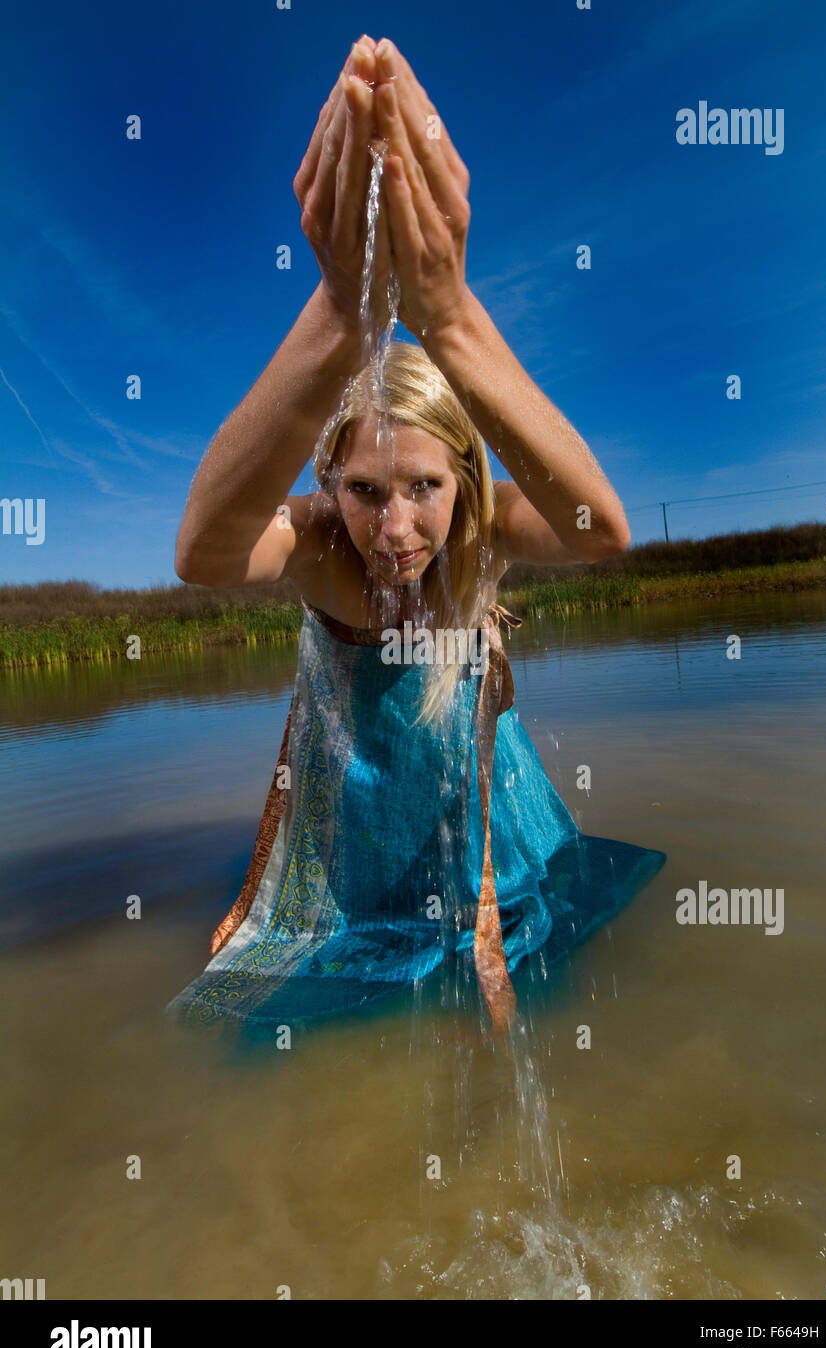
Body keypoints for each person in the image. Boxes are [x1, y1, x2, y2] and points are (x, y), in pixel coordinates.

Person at [166, 36, 665, 1039]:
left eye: (422, 487)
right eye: (362, 490)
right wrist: (339, 313)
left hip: (484, 795)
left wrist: (445, 311)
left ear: (462, 478)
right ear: (327, 485)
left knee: (515, 966)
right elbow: (212, 570)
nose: (393, 529)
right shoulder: (316, 547)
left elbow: (600, 531)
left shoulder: (481, 537)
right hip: (359, 806)